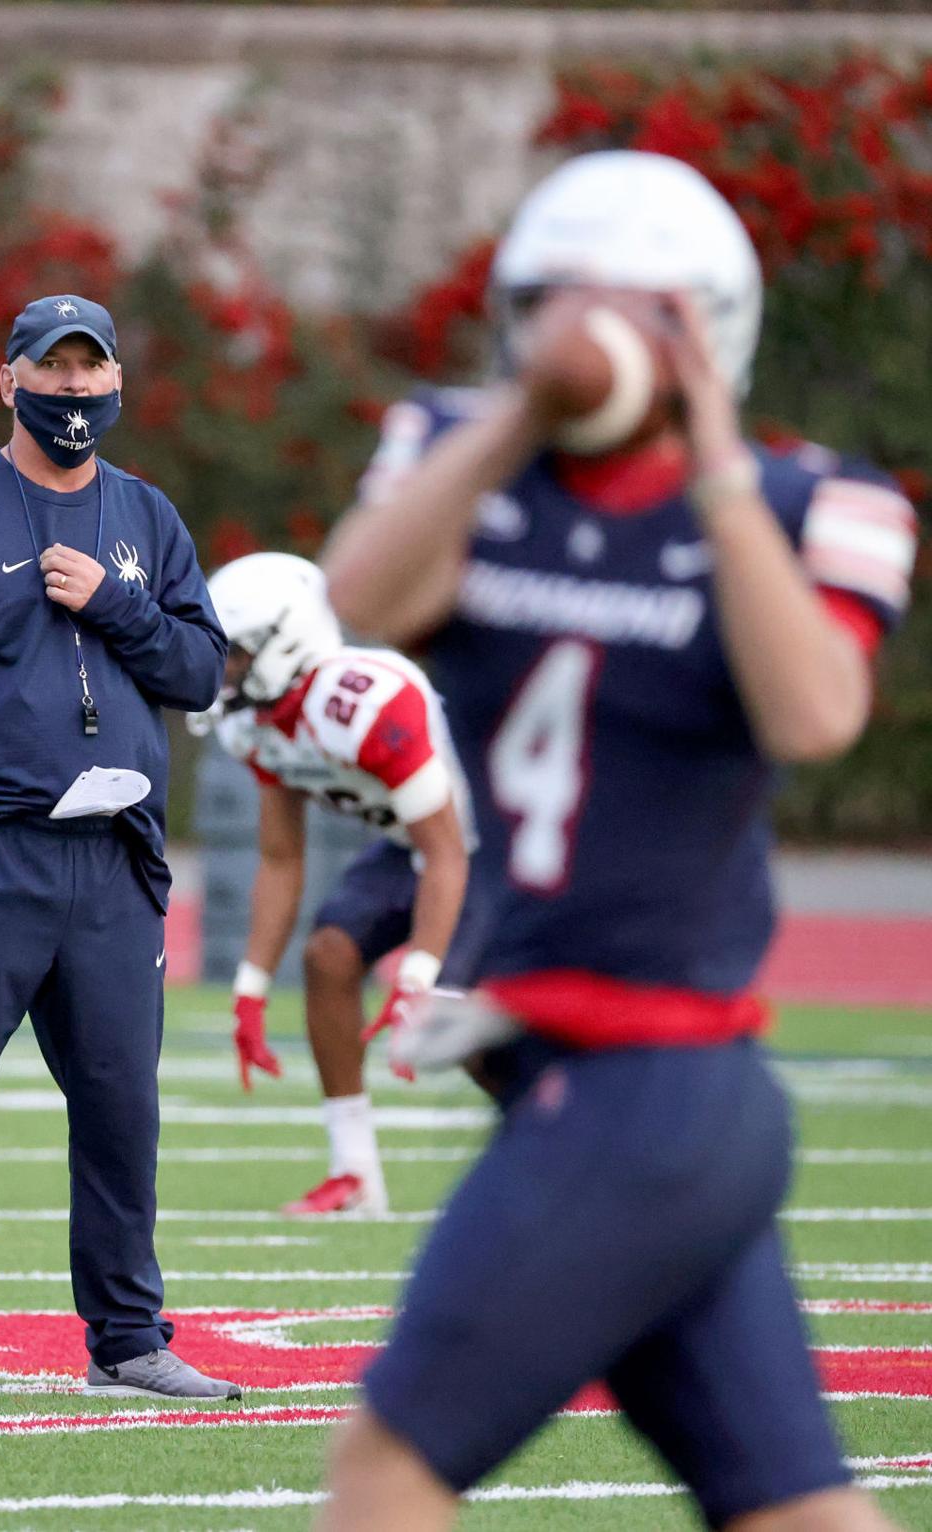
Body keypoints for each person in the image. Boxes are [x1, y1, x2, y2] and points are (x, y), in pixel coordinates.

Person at [315, 152, 915, 1530]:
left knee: (384, 1471)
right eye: (548, 303)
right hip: (572, 1079)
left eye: (631, 309)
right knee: (797, 1511)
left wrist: (711, 462)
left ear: (707, 324)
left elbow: (817, 712)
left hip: (656, 1079)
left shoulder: (806, 503)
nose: (579, 332)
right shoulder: (460, 456)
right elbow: (362, 596)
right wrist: (524, 405)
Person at [0, 293, 240, 1404]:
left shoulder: (148, 519)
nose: (73, 389)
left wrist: (117, 600)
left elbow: (201, 673)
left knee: (122, 1109)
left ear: (117, 381)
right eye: (52, 368)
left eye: (91, 369)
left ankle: (127, 1337)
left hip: (111, 862)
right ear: (9, 378)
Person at [187, 552, 480, 1216]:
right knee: (330, 955)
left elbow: (449, 851)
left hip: (486, 848)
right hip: (417, 847)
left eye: (234, 650)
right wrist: (251, 989)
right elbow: (282, 858)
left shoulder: (361, 701)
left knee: (468, 1033)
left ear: (285, 639)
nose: (222, 666)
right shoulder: (251, 724)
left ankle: (580, 1168)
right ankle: (355, 1174)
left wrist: (418, 979)